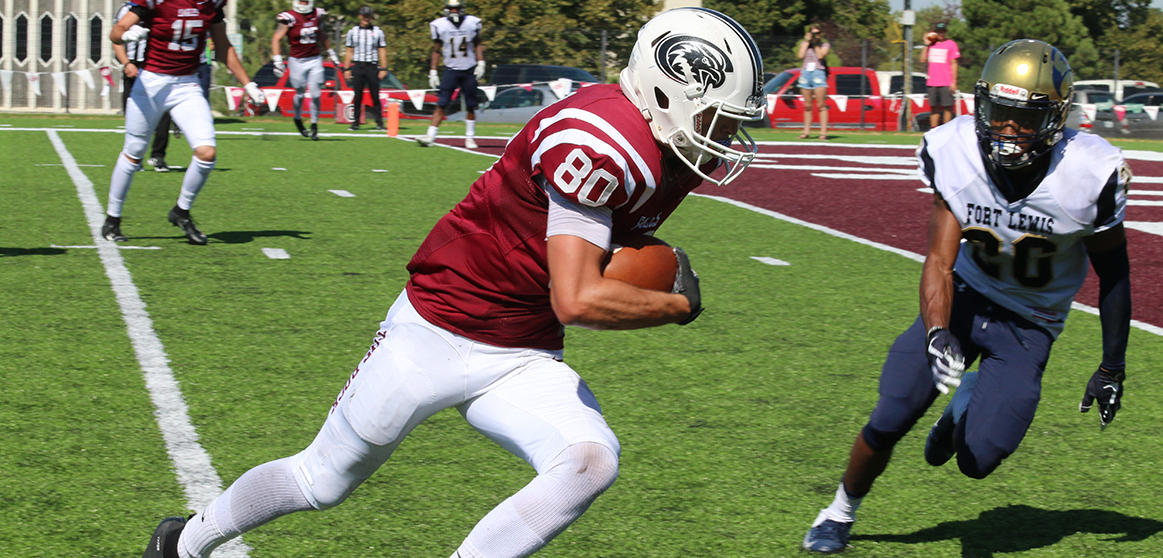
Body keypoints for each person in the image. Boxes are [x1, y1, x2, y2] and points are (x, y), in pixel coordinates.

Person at [139, 8, 766, 558]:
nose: (725, 135)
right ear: (670, 90)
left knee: (588, 461)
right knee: (320, 482)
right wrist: (674, 304)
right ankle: (184, 542)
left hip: (523, 350)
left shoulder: (667, 147)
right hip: (437, 331)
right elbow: (576, 298)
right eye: (716, 113)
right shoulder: (604, 140)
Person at [802, 40, 1132, 554]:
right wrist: (937, 332)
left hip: (1029, 323)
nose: (1006, 130)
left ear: (1054, 117)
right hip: (962, 299)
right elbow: (938, 258)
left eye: (1023, 118)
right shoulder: (955, 151)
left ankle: (964, 399)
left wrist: (1112, 367)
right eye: (998, 113)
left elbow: (1115, 274)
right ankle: (838, 512)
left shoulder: (1089, 172)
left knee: (977, 461)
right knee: (891, 416)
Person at [104, 0, 264, 245]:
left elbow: (222, 46)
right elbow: (115, 33)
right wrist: (126, 35)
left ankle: (181, 211)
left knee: (206, 152)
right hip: (152, 83)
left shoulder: (210, 4)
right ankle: (112, 219)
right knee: (134, 153)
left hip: (187, 84)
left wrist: (247, 83)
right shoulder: (155, 2)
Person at [112, 0, 173, 173]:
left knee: (164, 112)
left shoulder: (162, 7)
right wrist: (126, 63)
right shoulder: (126, 9)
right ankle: (134, 156)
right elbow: (116, 39)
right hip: (132, 65)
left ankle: (158, 155)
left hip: (156, 66)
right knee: (133, 114)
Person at [272, 0, 341, 141]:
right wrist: (278, 61)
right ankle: (297, 118)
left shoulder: (317, 13)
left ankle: (314, 124)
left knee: (316, 93)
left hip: (315, 59)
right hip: (297, 61)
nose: (304, 3)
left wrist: (331, 52)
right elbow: (276, 38)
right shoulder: (289, 17)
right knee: (300, 92)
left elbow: (321, 34)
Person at [418, 0, 484, 149]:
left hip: (469, 68)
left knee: (470, 105)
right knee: (441, 103)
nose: (454, 11)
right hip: (451, 69)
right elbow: (436, 50)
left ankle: (469, 137)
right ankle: (430, 136)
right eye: (451, 8)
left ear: (462, 9)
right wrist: (433, 71)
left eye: (456, 8)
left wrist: (481, 62)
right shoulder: (439, 25)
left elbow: (477, 44)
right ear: (447, 9)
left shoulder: (472, 22)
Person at [342, 6, 387, 132]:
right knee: (358, 96)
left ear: (371, 17)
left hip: (372, 66)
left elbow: (382, 49)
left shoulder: (378, 31)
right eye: (364, 15)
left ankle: (379, 122)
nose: (366, 18)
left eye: (368, 16)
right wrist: (346, 68)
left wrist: (383, 67)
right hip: (358, 65)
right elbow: (349, 50)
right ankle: (355, 122)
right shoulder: (353, 31)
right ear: (360, 16)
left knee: (375, 95)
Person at [921, 22, 960, 129]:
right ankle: (934, 129)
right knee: (934, 107)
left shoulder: (951, 44)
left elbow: (954, 63)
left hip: (946, 81)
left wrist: (954, 82)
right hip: (932, 81)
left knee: (947, 107)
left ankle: (945, 129)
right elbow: (923, 59)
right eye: (938, 31)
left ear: (945, 32)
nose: (940, 33)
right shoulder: (931, 45)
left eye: (942, 31)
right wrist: (926, 44)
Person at [796, 25, 830, 140]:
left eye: (818, 33)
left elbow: (821, 55)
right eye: (813, 33)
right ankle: (806, 132)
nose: (816, 35)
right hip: (806, 73)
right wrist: (807, 41)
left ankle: (823, 133)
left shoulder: (824, 45)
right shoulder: (805, 44)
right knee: (807, 105)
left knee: (821, 105)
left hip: (818, 73)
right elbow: (800, 55)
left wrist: (815, 43)